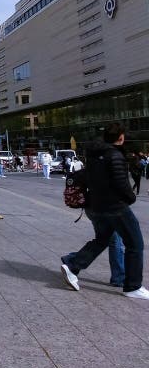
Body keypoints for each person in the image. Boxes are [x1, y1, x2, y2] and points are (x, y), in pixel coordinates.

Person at [60, 123, 149, 299]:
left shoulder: (94, 155)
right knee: (135, 243)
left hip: (97, 205)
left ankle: (72, 266)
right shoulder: (114, 155)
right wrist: (130, 198)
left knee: (102, 240)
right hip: (115, 206)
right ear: (121, 137)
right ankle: (133, 286)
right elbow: (121, 183)